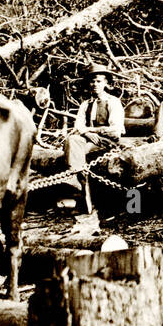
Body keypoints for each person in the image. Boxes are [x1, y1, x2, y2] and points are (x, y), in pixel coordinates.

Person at [63, 64, 124, 214]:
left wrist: (91, 131)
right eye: (92, 82)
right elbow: (78, 126)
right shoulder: (86, 104)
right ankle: (76, 178)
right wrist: (86, 133)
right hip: (89, 140)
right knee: (72, 140)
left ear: (106, 83)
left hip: (107, 141)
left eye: (98, 81)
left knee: (79, 150)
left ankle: (82, 193)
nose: (95, 85)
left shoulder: (113, 102)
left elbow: (115, 130)